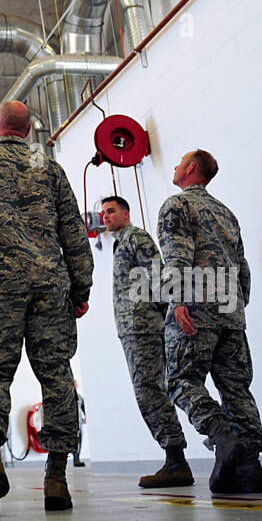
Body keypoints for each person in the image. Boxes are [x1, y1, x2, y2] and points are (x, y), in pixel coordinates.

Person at [0, 100, 93, 515]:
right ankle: (57, 478)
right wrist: (81, 287)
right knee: (57, 375)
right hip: (50, 288)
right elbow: (74, 234)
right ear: (27, 131)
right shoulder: (50, 168)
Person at [158, 150, 262, 496]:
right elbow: (243, 266)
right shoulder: (226, 213)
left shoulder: (177, 205)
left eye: (179, 161)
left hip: (195, 306)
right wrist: (237, 306)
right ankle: (251, 471)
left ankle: (221, 436)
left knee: (180, 380)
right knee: (236, 388)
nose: (175, 166)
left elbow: (177, 253)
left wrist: (177, 300)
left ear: (191, 169)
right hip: (231, 310)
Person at [101, 195, 193, 488]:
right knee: (153, 389)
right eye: (103, 212)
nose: (105, 216)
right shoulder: (122, 243)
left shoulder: (136, 238)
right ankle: (178, 457)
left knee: (149, 391)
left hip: (144, 328)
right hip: (134, 329)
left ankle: (177, 461)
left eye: (111, 211)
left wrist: (168, 314)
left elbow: (157, 277)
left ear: (126, 214)